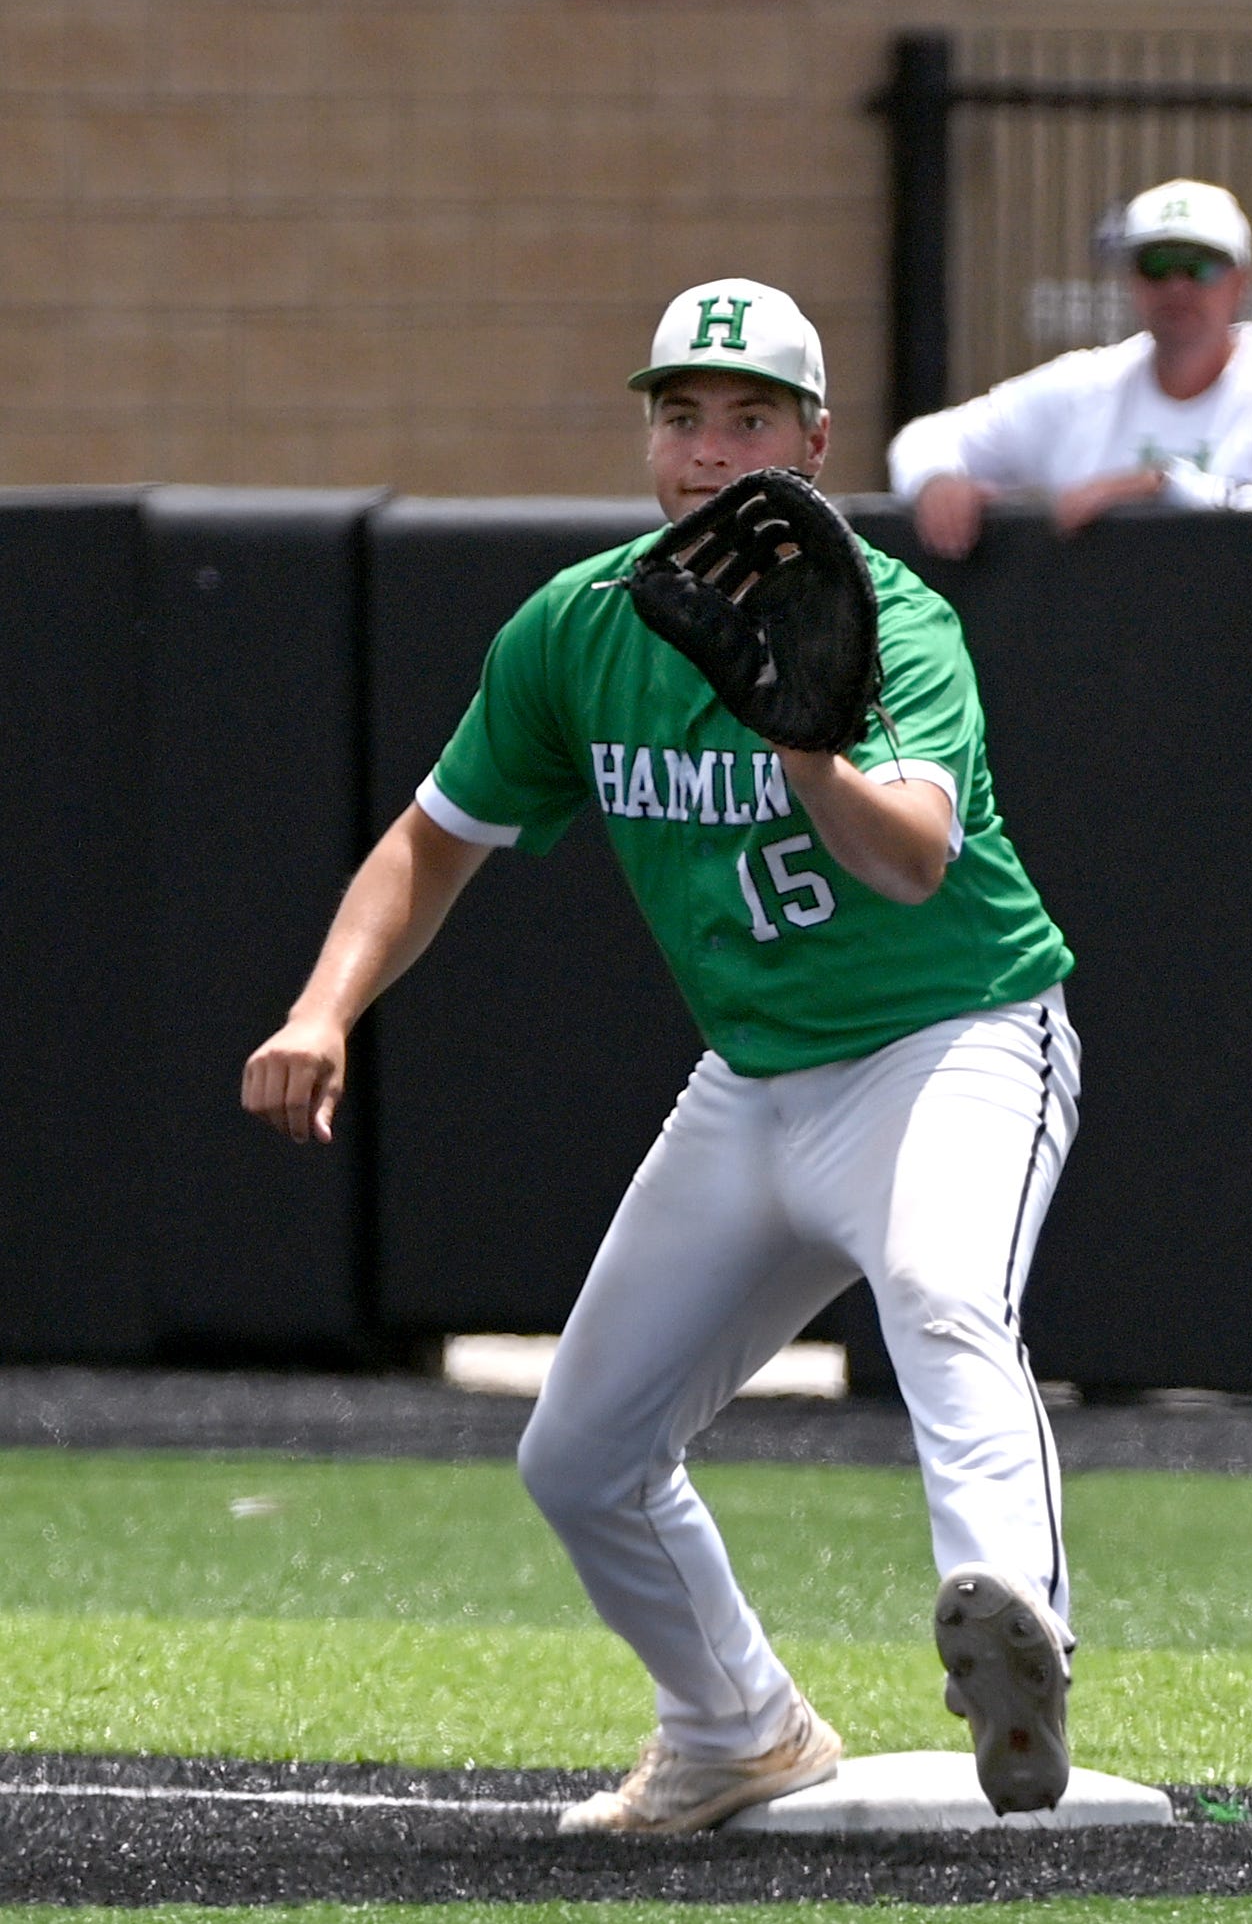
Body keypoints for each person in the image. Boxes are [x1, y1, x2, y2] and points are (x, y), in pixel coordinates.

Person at [241, 277, 1084, 1831]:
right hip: (754, 1079)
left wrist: (802, 737)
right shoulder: (583, 623)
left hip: (950, 1040)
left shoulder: (892, 621)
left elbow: (909, 860)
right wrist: (321, 1007)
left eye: (748, 416)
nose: (709, 450)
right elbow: (432, 842)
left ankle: (1012, 1622)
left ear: (814, 442)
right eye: (681, 417)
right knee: (580, 1452)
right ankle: (733, 1725)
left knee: (940, 1292)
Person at [888, 178, 1252, 559]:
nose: (1177, 287)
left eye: (1200, 266)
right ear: (1132, 281)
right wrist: (938, 481)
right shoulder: (1087, 384)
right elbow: (925, 439)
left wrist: (1156, 486)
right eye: (1157, 264)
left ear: (1240, 282)